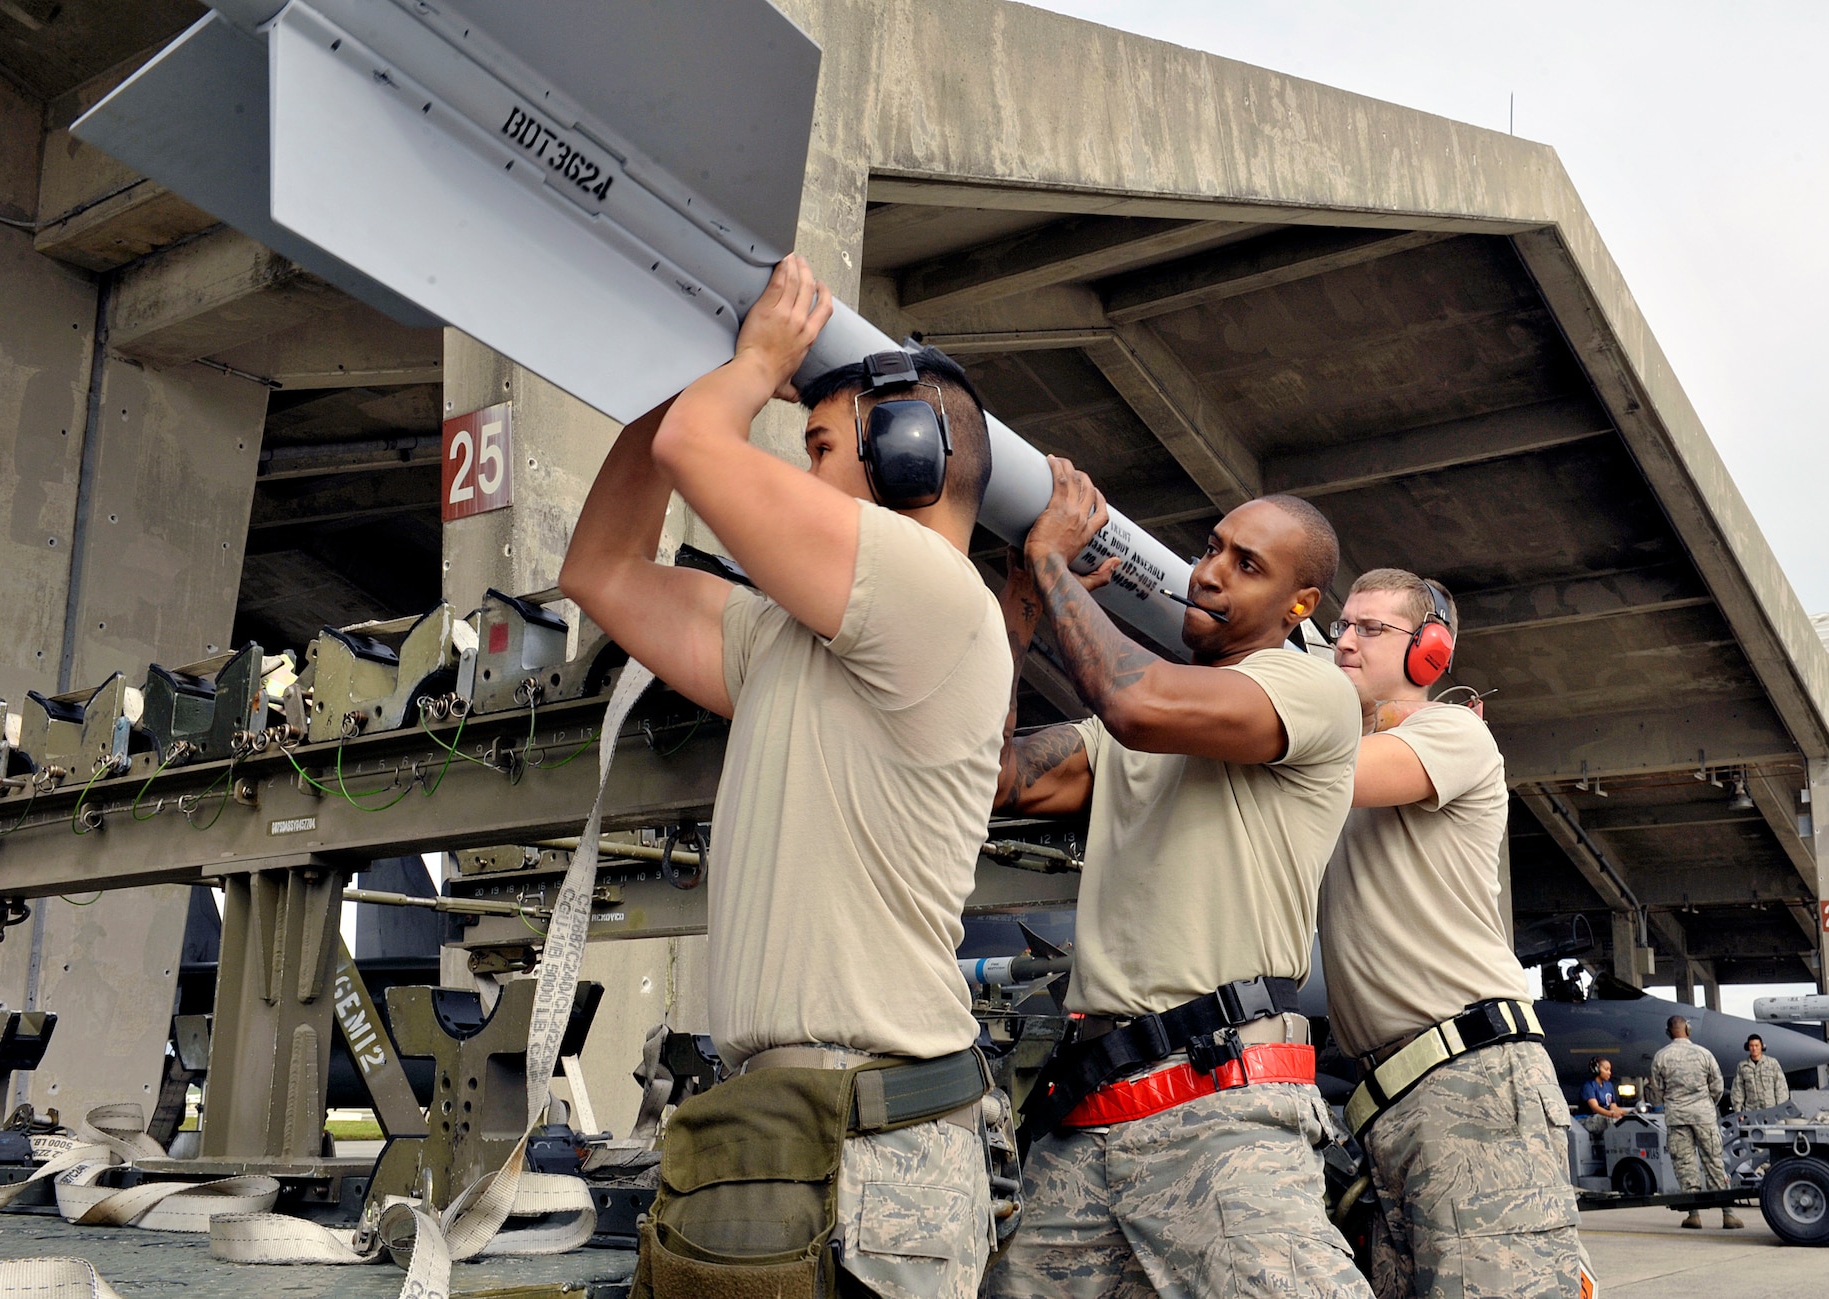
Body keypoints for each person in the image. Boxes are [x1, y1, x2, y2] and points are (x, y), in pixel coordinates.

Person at [560, 256, 1012, 1298]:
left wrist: (745, 361)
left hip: (871, 1151)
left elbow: (694, 447)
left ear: (909, 457)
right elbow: (603, 571)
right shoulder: (786, 637)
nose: (802, 477)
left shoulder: (930, 588)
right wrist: (675, 387)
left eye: (818, 447)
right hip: (792, 1132)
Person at [983, 464, 1370, 1299]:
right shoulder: (1128, 732)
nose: (1210, 571)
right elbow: (990, 773)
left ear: (1301, 605)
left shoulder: (1312, 692)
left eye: (1248, 565)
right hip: (1088, 1119)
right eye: (1212, 548)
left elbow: (1138, 700)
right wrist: (1019, 604)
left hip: (1223, 1116)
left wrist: (1051, 562)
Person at [1319, 569, 1587, 1299]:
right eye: (1340, 625)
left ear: (1429, 652)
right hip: (1390, 1096)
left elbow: (1329, 769)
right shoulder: (1343, 751)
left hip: (1470, 1077)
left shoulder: (1451, 731)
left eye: (1369, 629)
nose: (1345, 642)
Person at [1646, 1015, 1741, 1230]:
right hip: (1704, 1116)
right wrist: (1706, 1104)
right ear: (1687, 1029)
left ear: (1668, 1032)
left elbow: (1657, 1090)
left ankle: (1694, 1215)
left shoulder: (1661, 1057)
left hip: (1677, 1117)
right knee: (1714, 1161)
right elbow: (1717, 1085)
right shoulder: (1704, 1054)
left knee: (1684, 1164)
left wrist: (1673, 1103)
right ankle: (1728, 1214)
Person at [1728, 1035, 1789, 1113]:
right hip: (1751, 1111)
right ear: (1748, 1047)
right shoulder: (1742, 1066)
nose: (1754, 1048)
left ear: (1762, 1046)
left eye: (1757, 1045)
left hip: (1771, 1110)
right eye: (1751, 1046)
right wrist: (1738, 1111)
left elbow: (1781, 1087)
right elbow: (1738, 1090)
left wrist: (1780, 1109)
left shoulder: (1772, 1063)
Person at [1581, 1058, 1625, 1136]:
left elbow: (1613, 1107)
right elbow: (1595, 1107)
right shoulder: (1589, 1086)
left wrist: (1628, 1112)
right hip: (1588, 1118)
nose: (1609, 1073)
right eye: (1606, 1069)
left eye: (1610, 1070)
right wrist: (1610, 1114)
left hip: (1606, 1115)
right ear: (1597, 1069)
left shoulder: (1609, 1085)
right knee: (1612, 1120)